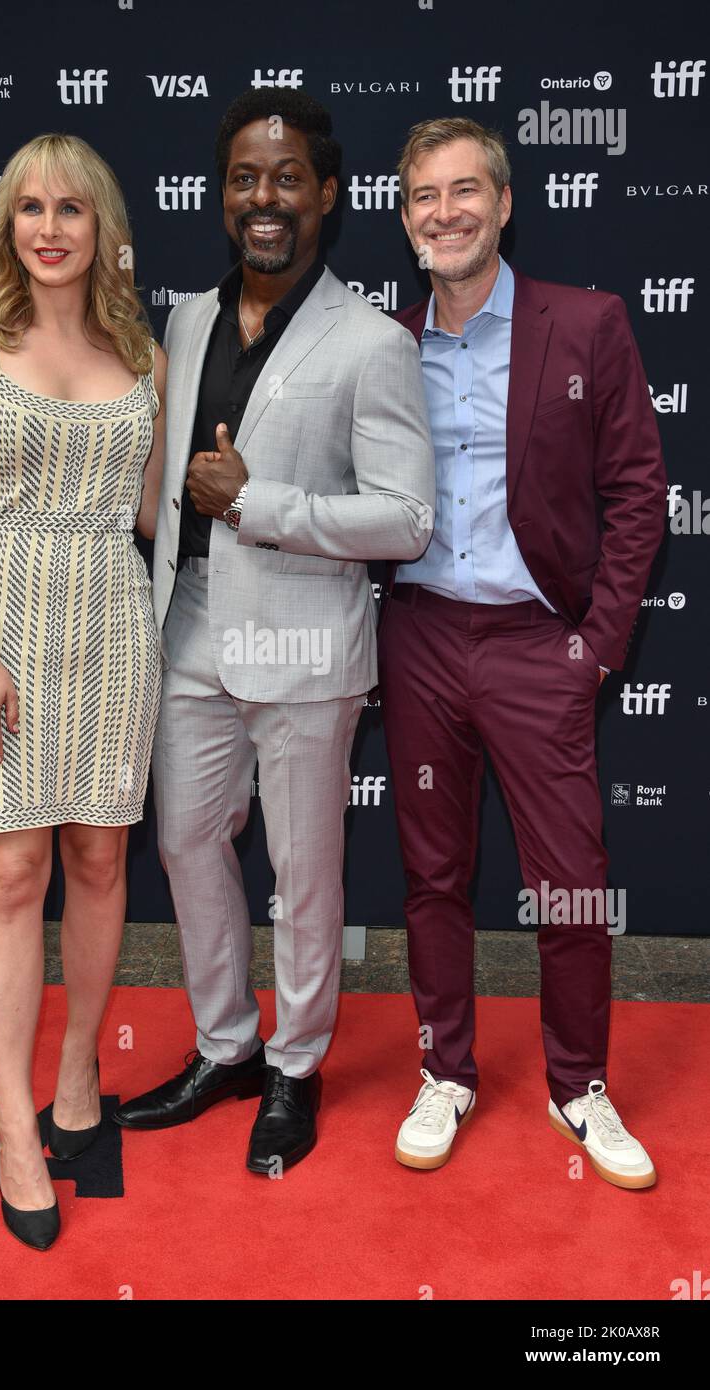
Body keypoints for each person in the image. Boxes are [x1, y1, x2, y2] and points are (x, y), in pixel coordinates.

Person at [113, 90, 434, 1174]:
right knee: (187, 842)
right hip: (188, 632)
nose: (265, 197)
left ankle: (296, 1066)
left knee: (303, 874)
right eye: (246, 177)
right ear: (221, 196)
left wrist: (261, 504)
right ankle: (227, 1045)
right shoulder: (188, 319)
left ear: (328, 195)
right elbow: (163, 492)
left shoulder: (373, 341)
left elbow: (407, 517)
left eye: (287, 176)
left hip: (305, 644)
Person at [377, 117, 666, 1188]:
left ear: (503, 203)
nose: (443, 212)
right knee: (433, 873)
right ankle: (444, 1069)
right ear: (404, 219)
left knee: (571, 882)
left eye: (463, 191)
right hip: (419, 638)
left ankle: (579, 1085)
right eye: (422, 197)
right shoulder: (387, 345)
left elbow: (640, 493)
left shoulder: (585, 327)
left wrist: (595, 648)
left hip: (538, 643)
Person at [0, 133, 166, 1248]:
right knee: (12, 871)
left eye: (73, 208)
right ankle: (16, 1127)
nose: (52, 227)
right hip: (6, 627)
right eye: (31, 209)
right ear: (7, 225)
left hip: (115, 627)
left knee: (101, 856)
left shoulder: (143, 355)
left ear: (103, 224)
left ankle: (76, 1083)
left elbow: (158, 518)